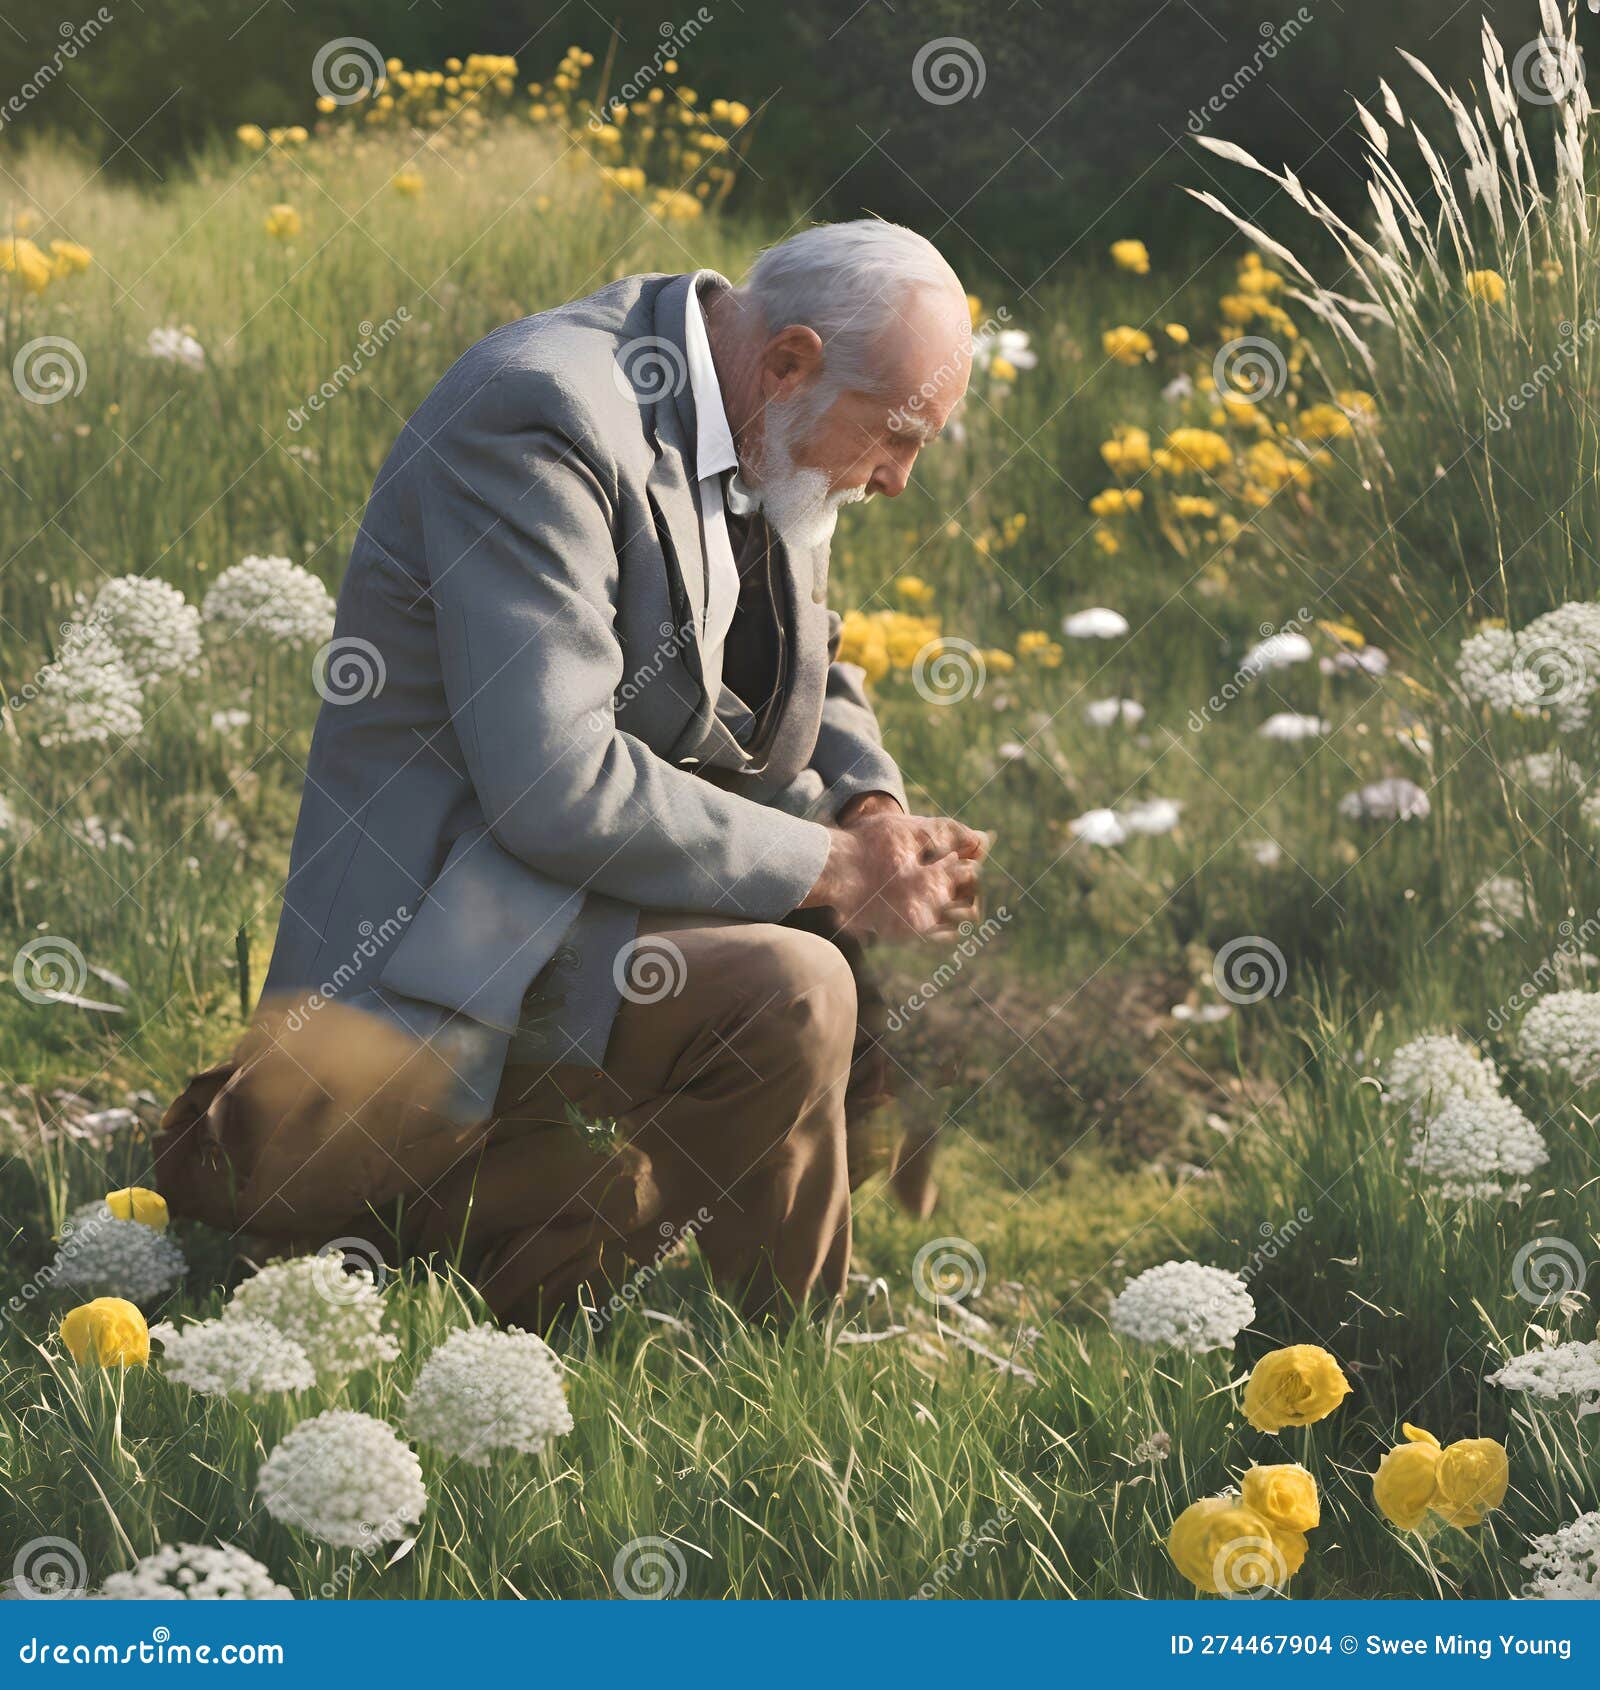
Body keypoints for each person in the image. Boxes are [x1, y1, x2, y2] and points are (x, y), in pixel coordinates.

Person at [157, 219, 987, 1322]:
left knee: (830, 943)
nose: (897, 480)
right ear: (789, 359)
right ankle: (768, 1360)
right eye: (896, 437)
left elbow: (798, 651)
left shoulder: (764, 416)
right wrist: (832, 866)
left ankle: (764, 1336)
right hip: (451, 945)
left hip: (583, 907)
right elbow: (559, 785)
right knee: (796, 984)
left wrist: (869, 809)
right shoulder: (539, 416)